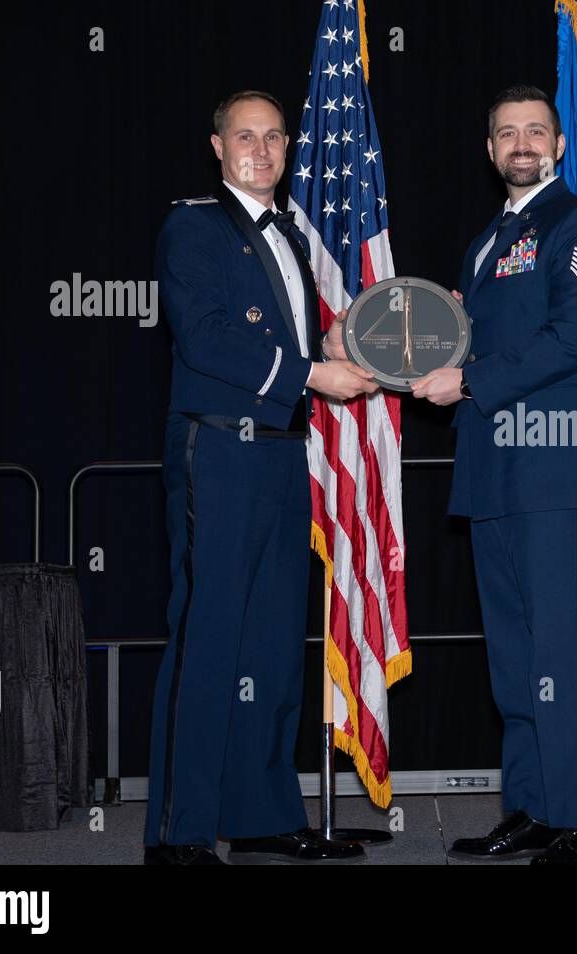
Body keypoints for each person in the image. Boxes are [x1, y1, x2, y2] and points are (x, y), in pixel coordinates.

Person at [143, 90, 378, 865]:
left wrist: (387, 333)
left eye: (275, 137)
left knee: (275, 639)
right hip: (218, 451)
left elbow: (312, 338)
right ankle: (179, 831)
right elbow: (208, 341)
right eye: (246, 136)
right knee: (209, 636)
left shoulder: (293, 236)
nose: (263, 149)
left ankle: (261, 813)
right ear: (218, 147)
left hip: (281, 452)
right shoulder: (194, 226)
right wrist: (313, 372)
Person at [409, 84, 577, 865]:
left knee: (564, 653)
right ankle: (534, 807)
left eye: (537, 131)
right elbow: (473, 343)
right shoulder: (483, 243)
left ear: (560, 145)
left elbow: (576, 338)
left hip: (558, 470)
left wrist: (466, 381)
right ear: (490, 149)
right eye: (507, 133)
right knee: (516, 660)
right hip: (494, 475)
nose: (523, 143)